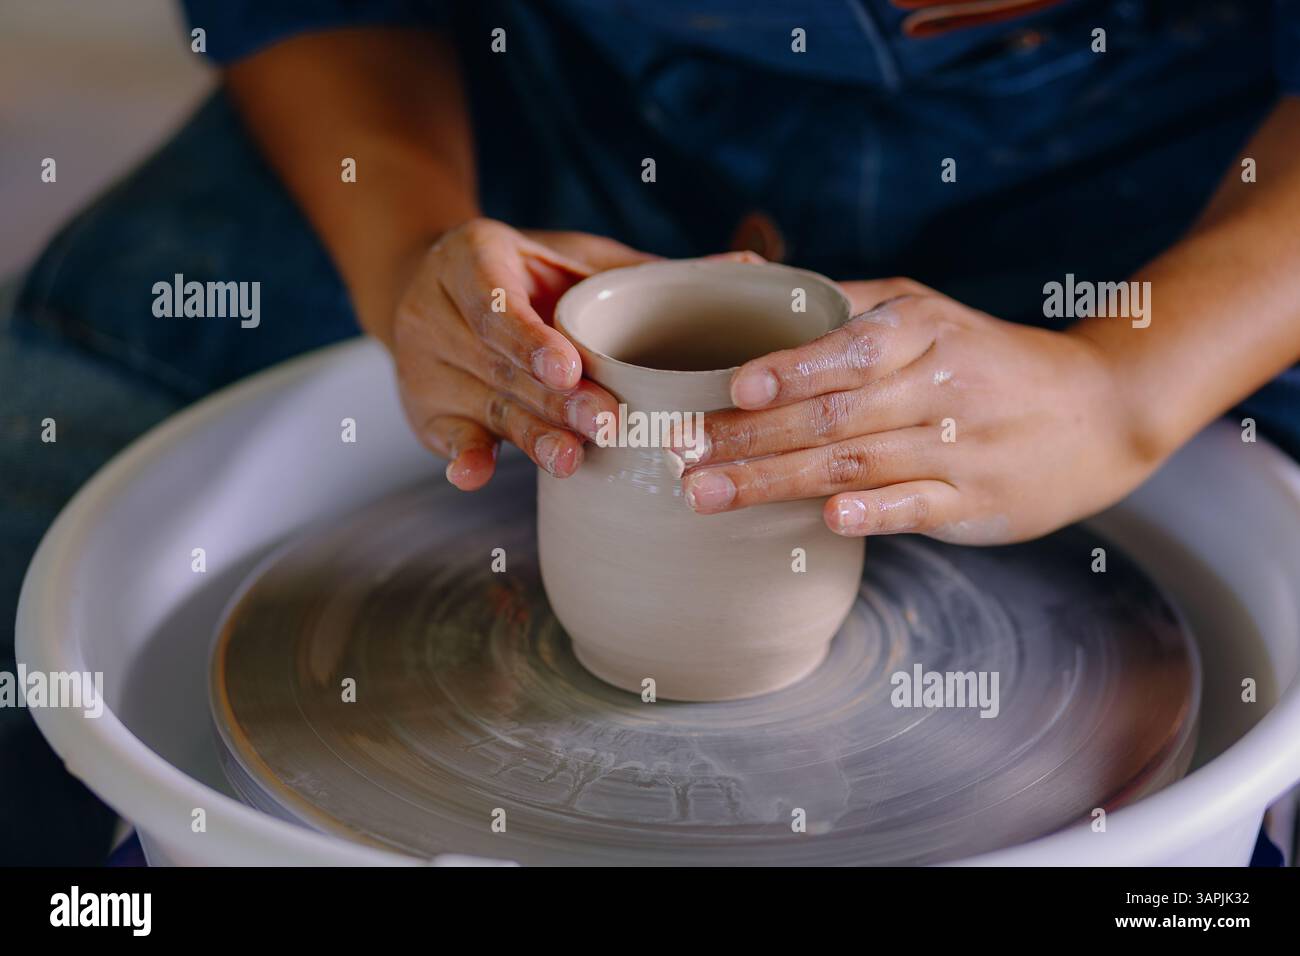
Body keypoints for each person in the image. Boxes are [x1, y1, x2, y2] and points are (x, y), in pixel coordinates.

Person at [4, 0, 1299, 861]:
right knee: (40, 560)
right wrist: (407, 261)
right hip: (547, 101)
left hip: (1178, 172)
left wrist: (1129, 384)